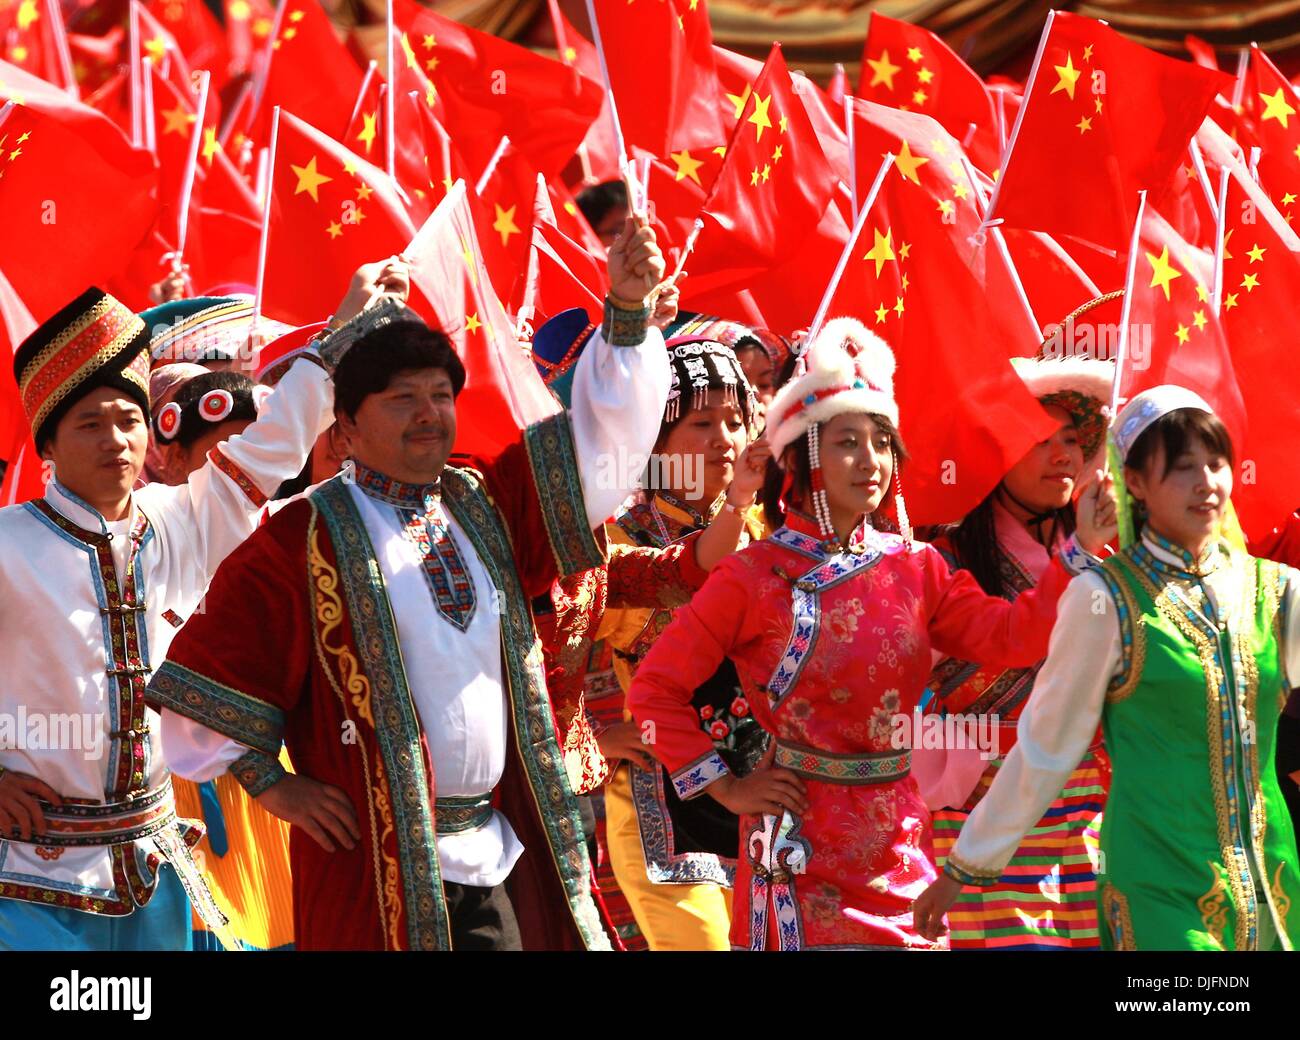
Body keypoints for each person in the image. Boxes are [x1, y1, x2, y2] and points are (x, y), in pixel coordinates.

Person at [146, 217, 672, 950]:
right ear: (346, 430)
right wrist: (275, 784)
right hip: (372, 871)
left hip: (496, 851)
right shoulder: (299, 540)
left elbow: (597, 453)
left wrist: (627, 313)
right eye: (402, 399)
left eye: (441, 395)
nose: (429, 413)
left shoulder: (486, 502)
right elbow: (196, 694)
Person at [626, 318, 1116, 950]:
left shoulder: (916, 567)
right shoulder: (752, 574)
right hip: (798, 854)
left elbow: (1015, 637)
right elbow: (654, 690)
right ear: (804, 458)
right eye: (848, 442)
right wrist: (726, 786)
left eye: (882, 442)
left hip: (900, 845)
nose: (871, 461)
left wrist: (1079, 551)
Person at [0, 271, 346, 950]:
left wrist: (342, 332)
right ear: (48, 445)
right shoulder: (9, 545)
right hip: (29, 876)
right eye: (89, 423)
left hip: (155, 871)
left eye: (128, 420)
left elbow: (269, 450)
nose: (115, 440)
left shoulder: (180, 521)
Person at [913, 386, 1300, 951]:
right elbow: (1045, 744)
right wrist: (965, 865)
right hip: (1137, 867)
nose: (1205, 483)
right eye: (1181, 467)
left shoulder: (1275, 591)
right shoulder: (1104, 594)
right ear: (1135, 483)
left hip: (1269, 875)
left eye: (1215, 463)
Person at [922, 355, 1114, 949]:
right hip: (986, 796)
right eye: (1040, 441)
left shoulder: (1107, 551)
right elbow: (1010, 642)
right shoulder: (945, 556)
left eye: (1074, 441)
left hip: (1091, 802)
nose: (1063, 456)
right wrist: (1083, 552)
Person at [596, 333, 771, 951]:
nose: (724, 438)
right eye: (701, 422)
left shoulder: (767, 528)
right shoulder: (618, 540)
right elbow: (549, 653)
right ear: (656, 443)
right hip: (664, 794)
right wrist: (591, 737)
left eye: (735, 419)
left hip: (761, 791)